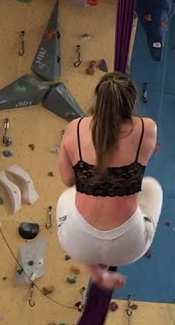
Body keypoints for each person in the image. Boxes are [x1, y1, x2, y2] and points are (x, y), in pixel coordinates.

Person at [55, 71, 161, 291]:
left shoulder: (75, 127)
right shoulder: (147, 128)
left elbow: (67, 180)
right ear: (131, 101)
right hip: (129, 247)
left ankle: (94, 266)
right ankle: (102, 263)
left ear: (98, 98)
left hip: (77, 242)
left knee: (68, 195)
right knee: (151, 187)